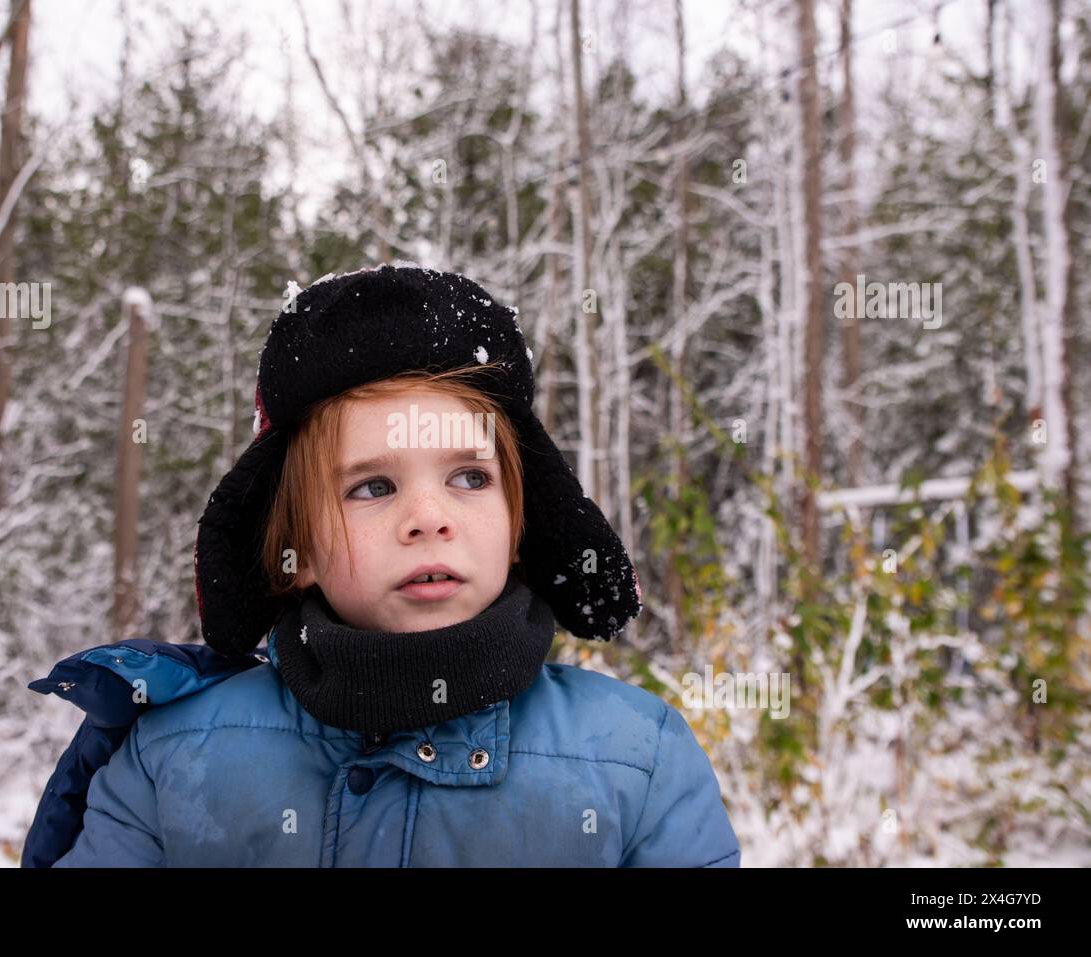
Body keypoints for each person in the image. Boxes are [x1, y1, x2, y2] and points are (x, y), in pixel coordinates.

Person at [39, 262, 740, 867]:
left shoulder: (638, 761)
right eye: (373, 486)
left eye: (469, 477)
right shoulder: (172, 757)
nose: (429, 517)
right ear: (299, 548)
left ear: (520, 522)